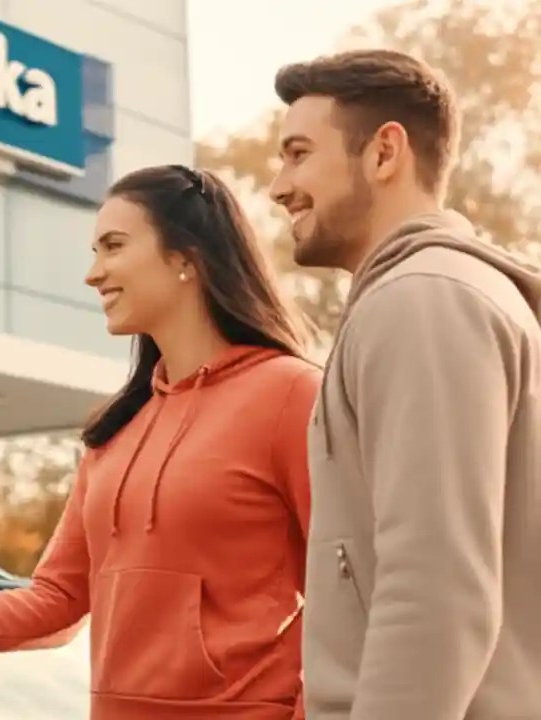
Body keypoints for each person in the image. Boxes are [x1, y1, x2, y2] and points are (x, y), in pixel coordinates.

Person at [0, 164, 322, 719]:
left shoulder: (292, 393)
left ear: (185, 258)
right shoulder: (117, 430)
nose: (94, 274)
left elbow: (349, 592)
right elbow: (56, 603)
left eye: (113, 247)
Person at [269, 49, 541, 718]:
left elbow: (435, 591)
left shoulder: (421, 301)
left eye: (298, 154)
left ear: (385, 152)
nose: (279, 185)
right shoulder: (432, 296)